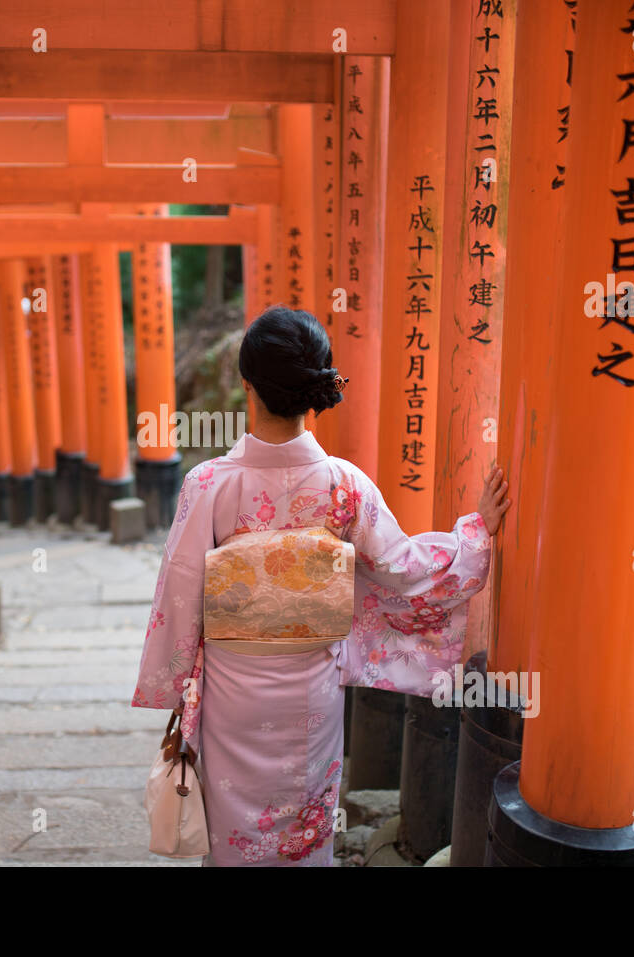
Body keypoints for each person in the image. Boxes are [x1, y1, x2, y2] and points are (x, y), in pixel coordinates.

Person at [131, 306, 512, 866]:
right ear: (316, 388)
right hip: (310, 689)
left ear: (248, 386)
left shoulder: (207, 485)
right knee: (303, 830)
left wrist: (173, 686)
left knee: (233, 829)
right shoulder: (344, 485)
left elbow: (181, 596)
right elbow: (404, 568)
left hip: (232, 695)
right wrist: (474, 534)